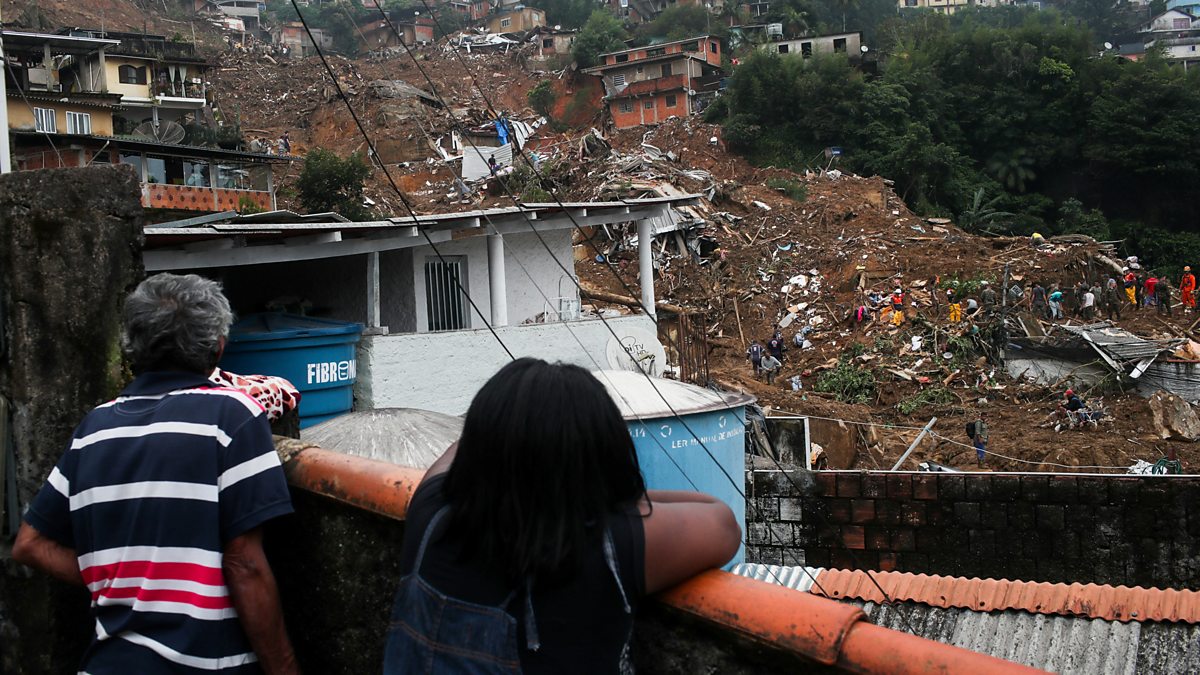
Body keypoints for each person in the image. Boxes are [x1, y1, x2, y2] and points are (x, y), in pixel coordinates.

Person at [13, 274, 298, 673]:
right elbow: (245, 564)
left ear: (133, 344)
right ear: (217, 347)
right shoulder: (231, 415)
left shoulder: (95, 427)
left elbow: (29, 543)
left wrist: (120, 578)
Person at [383, 359, 740, 673]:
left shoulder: (431, 516)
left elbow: (464, 452)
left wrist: (514, 405)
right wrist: (591, 496)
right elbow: (721, 521)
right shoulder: (605, 546)